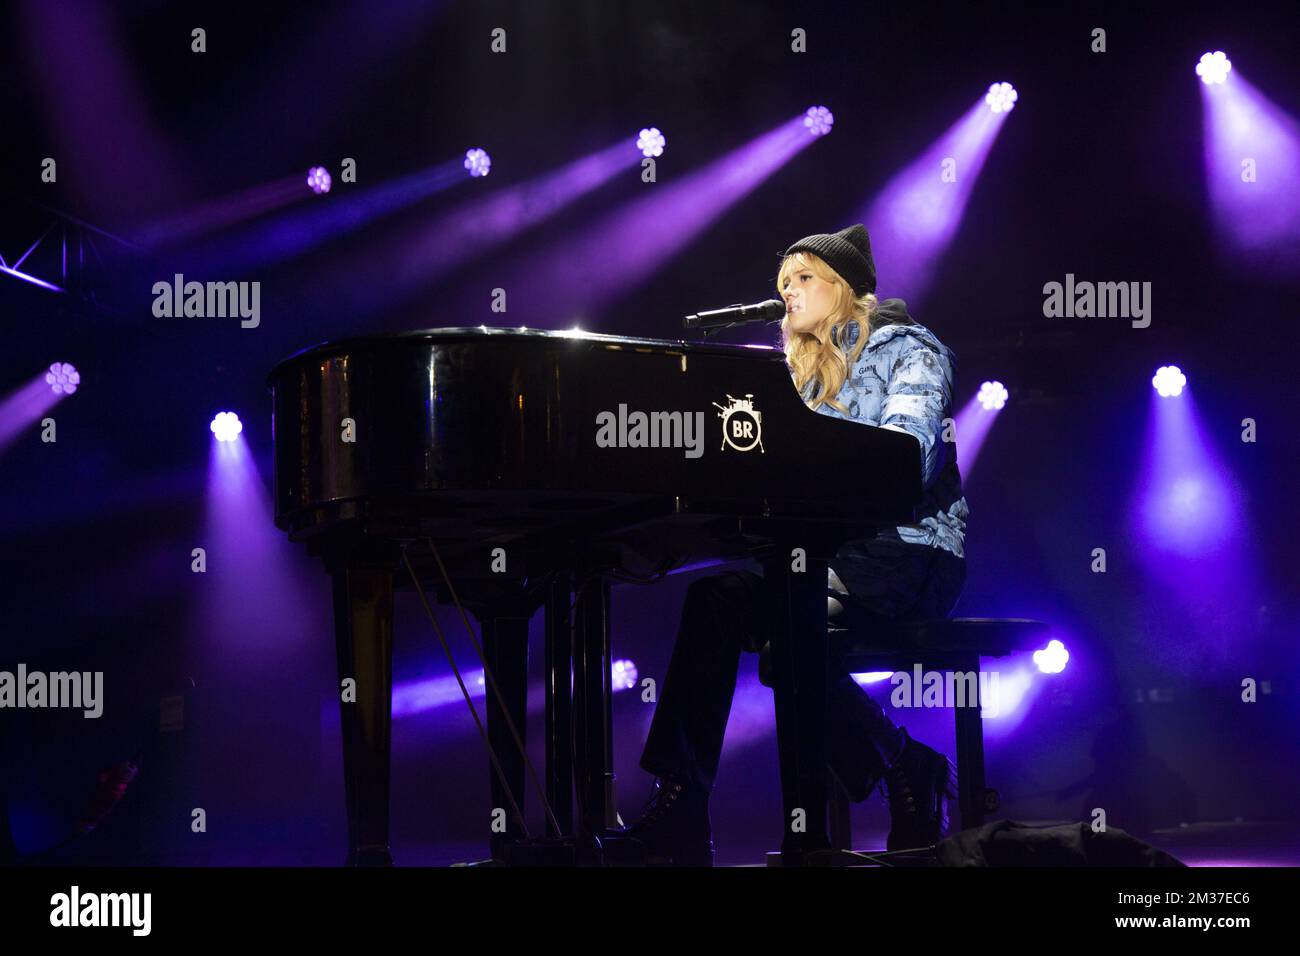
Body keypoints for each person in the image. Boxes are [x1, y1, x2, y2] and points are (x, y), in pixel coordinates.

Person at [628, 224, 971, 865]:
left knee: (792, 633)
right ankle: (680, 805)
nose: (787, 292)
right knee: (715, 600)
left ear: (845, 286)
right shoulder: (797, 375)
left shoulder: (908, 348)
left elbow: (910, 455)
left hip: (906, 556)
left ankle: (853, 801)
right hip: (821, 561)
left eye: (803, 278)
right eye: (782, 283)